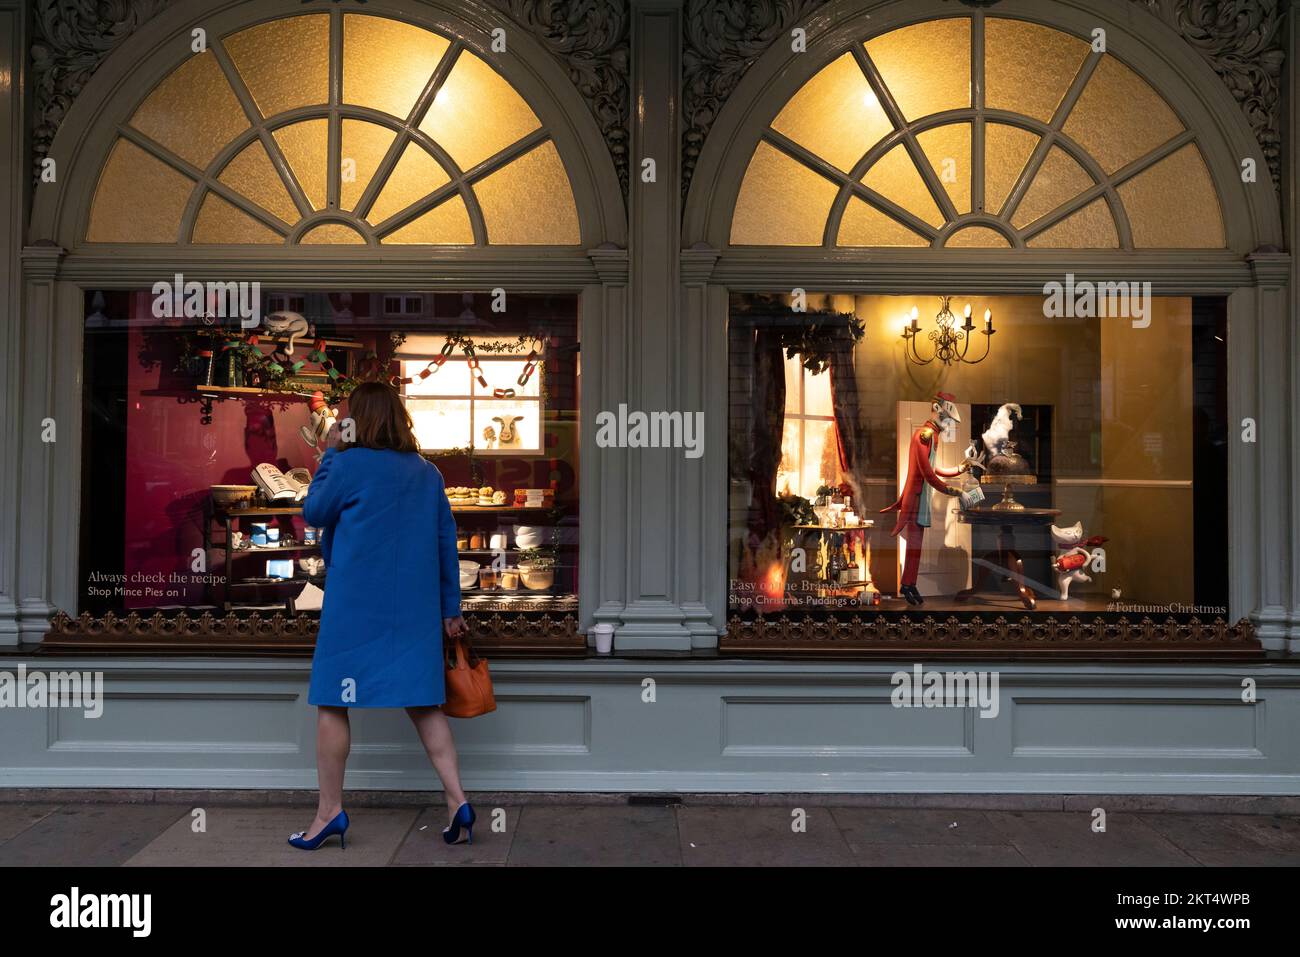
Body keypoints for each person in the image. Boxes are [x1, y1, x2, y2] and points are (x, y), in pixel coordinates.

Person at [288, 381, 475, 850]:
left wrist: (330, 453)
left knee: (333, 701)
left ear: (357, 421)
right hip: (413, 611)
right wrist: (449, 608)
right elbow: (444, 544)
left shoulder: (347, 464)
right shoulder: (426, 473)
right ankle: (458, 802)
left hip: (354, 608)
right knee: (424, 703)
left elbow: (313, 511)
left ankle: (329, 812)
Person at [880, 391, 972, 606]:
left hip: (922, 497)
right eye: (946, 418)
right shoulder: (924, 435)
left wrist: (959, 468)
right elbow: (928, 474)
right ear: (938, 409)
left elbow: (933, 468)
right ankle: (908, 584)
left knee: (916, 546)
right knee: (914, 545)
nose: (947, 423)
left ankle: (909, 584)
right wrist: (955, 492)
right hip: (916, 498)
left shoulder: (931, 434)